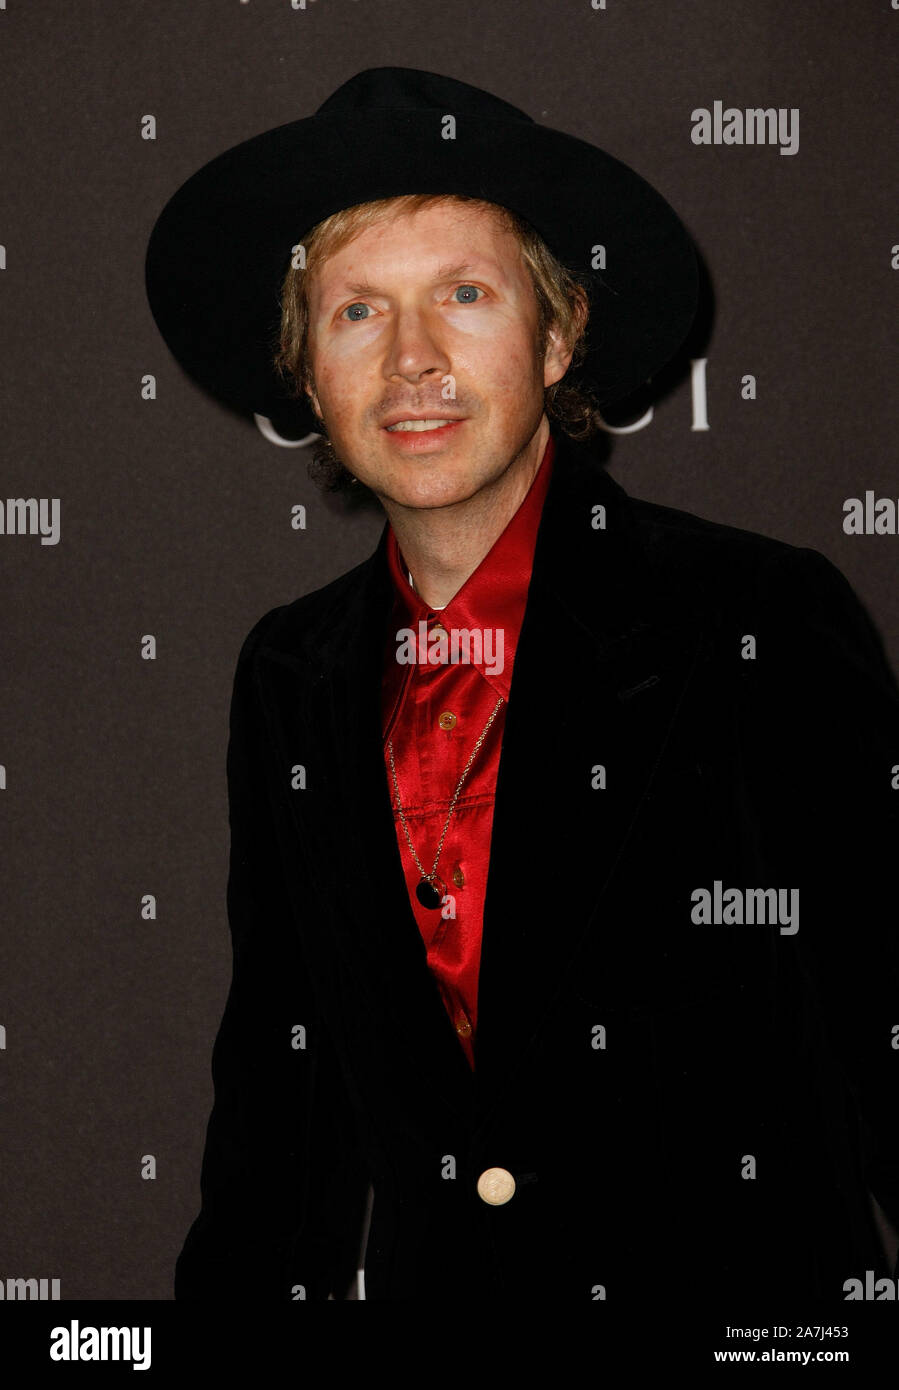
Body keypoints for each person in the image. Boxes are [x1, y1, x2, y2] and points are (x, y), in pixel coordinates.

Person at [146, 67, 899, 1306]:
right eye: (354, 314)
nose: (412, 360)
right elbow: (282, 1113)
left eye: (462, 293)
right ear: (307, 376)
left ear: (555, 337)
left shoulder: (752, 618)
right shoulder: (290, 672)